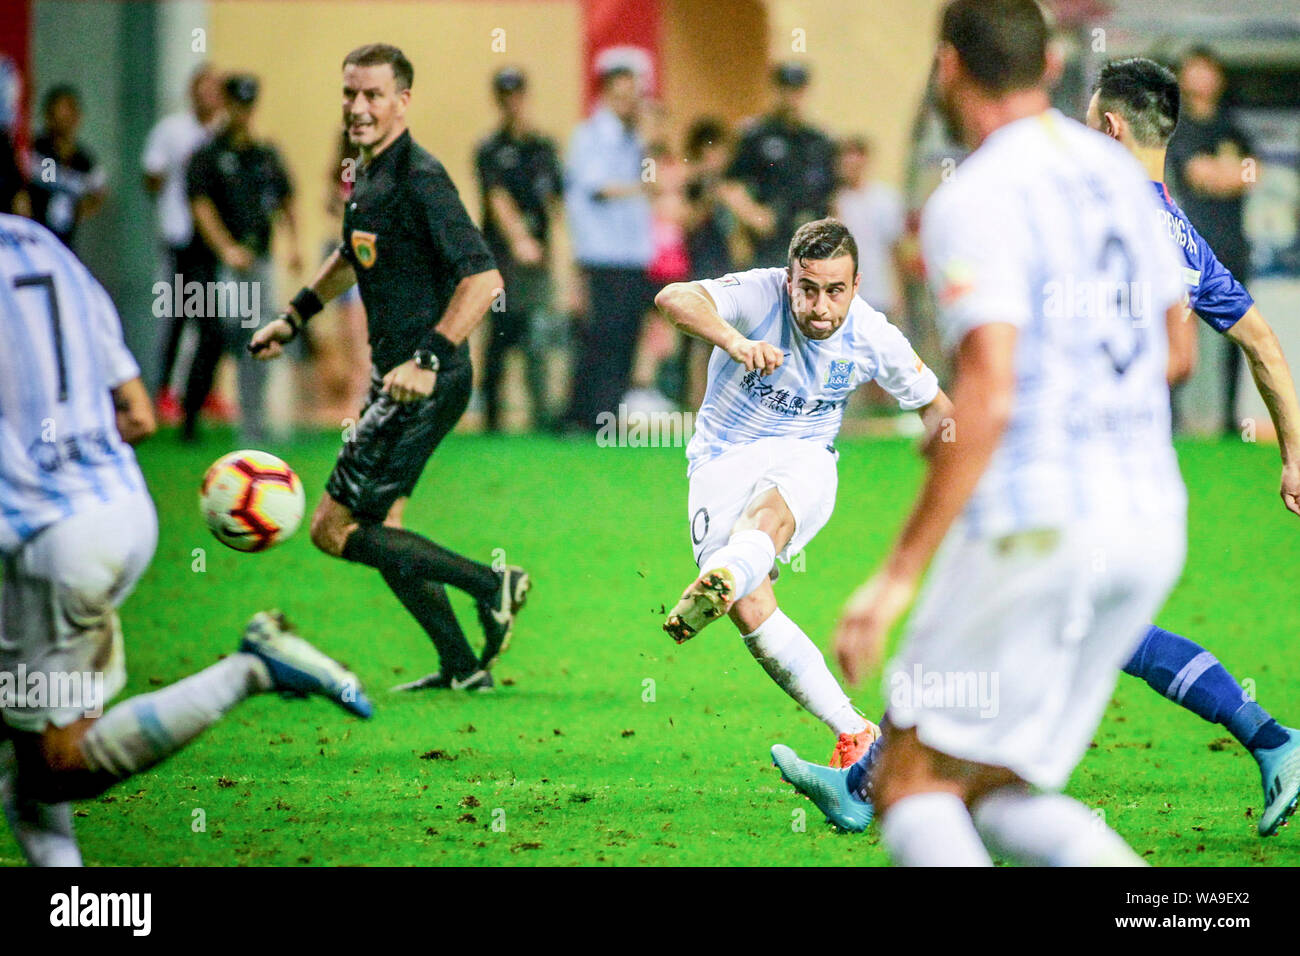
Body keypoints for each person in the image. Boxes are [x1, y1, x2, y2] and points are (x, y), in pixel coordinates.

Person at [772, 55, 1300, 844]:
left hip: (1049, 494)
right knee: (1065, 686)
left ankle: (867, 784)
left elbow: (999, 366)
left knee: (947, 717)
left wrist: (1025, 400)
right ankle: (1272, 739)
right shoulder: (1164, 225)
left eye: (1089, 119)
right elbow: (1243, 346)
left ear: (1110, 127)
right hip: (1141, 501)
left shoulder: (1059, 205)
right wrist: (1293, 456)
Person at [830, 0, 1188, 866]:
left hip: (1040, 525)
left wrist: (893, 579)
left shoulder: (978, 193)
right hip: (1150, 524)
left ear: (949, 68)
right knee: (996, 784)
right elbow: (1175, 349)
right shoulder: (1120, 176)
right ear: (1048, 64)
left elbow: (988, 393)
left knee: (909, 780)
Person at [0, 212, 371, 867]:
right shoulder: (46, 249)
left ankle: (250, 669)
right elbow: (140, 415)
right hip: (118, 510)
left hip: (49, 540)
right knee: (32, 776)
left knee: (55, 766)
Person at [249, 43, 529, 693]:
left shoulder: (420, 177)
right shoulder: (366, 173)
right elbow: (352, 255)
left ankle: (495, 583)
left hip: (425, 380)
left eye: (373, 95)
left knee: (332, 528)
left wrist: (428, 359)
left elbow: (483, 279)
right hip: (398, 378)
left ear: (403, 101)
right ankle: (462, 666)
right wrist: (294, 317)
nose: (359, 106)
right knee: (384, 529)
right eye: (350, 93)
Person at [655, 218, 951, 769]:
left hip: (806, 456)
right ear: (789, 280)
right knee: (747, 606)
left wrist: (964, 466)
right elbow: (674, 297)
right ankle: (856, 731)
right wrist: (735, 340)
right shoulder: (759, 292)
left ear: (856, 286)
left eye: (835, 291)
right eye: (808, 289)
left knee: (763, 526)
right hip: (721, 459)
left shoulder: (873, 335)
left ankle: (734, 567)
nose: (820, 307)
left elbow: (938, 410)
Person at [185, 73, 301, 444]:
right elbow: (200, 206)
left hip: (258, 261)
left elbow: (285, 199)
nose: (244, 113)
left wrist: (293, 244)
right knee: (216, 338)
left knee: (257, 337)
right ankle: (191, 416)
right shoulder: (208, 156)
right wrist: (225, 248)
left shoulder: (265, 156)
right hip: (217, 265)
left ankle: (252, 421)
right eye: (238, 104)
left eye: (249, 105)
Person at [1167, 47, 1257, 436]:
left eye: (1208, 71)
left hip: (1232, 245)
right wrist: (1228, 172)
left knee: (1241, 333)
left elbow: (1253, 172)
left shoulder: (1232, 127)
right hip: (1186, 247)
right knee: (1177, 333)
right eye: (1194, 71)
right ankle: (1169, 417)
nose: (1202, 79)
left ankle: (1229, 419)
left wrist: (1226, 173)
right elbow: (1196, 174)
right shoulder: (1177, 127)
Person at [562, 63, 655, 432]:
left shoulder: (635, 139)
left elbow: (651, 177)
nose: (629, 102)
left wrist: (647, 141)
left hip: (632, 252)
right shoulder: (589, 136)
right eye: (622, 95)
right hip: (602, 253)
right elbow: (597, 186)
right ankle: (582, 415)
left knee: (626, 337)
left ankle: (607, 413)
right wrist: (640, 189)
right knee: (600, 337)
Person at [474, 66, 563, 432]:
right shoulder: (491, 149)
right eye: (505, 94)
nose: (512, 101)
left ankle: (541, 414)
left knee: (539, 332)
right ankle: (492, 417)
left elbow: (557, 202)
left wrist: (555, 252)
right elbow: (497, 198)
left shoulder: (544, 148)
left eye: (517, 93)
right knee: (499, 331)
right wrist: (519, 241)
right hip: (502, 258)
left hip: (539, 259)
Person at [142, 63, 225, 423]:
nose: (208, 95)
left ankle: (206, 392)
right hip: (181, 236)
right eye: (201, 87)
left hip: (217, 241)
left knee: (216, 319)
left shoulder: (225, 135)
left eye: (214, 88)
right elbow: (151, 175)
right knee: (178, 315)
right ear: (192, 92)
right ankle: (166, 391)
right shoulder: (171, 130)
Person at [723, 63, 837, 268]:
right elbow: (730, 183)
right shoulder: (757, 135)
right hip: (770, 240)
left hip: (811, 239)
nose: (791, 96)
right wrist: (753, 215)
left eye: (797, 90)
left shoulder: (818, 139)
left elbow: (832, 193)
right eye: (785, 88)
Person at [833, 137, 906, 317]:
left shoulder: (886, 199)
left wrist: (898, 294)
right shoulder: (834, 201)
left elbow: (895, 250)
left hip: (879, 295)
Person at [27, 85, 105, 251]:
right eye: (58, 114)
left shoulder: (84, 161)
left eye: (69, 114)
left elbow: (99, 191)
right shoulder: (35, 150)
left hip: (65, 241)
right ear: (48, 116)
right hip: (33, 238)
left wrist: (80, 212)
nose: (64, 120)